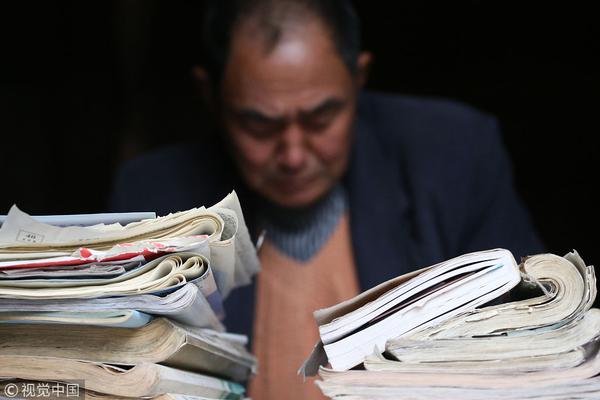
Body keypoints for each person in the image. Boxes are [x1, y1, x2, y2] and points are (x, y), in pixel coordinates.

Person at [110, 1, 544, 398]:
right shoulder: (153, 197)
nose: (294, 155)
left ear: (359, 79)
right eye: (259, 125)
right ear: (212, 97)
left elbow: (532, 337)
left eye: (321, 118)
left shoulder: (452, 159)